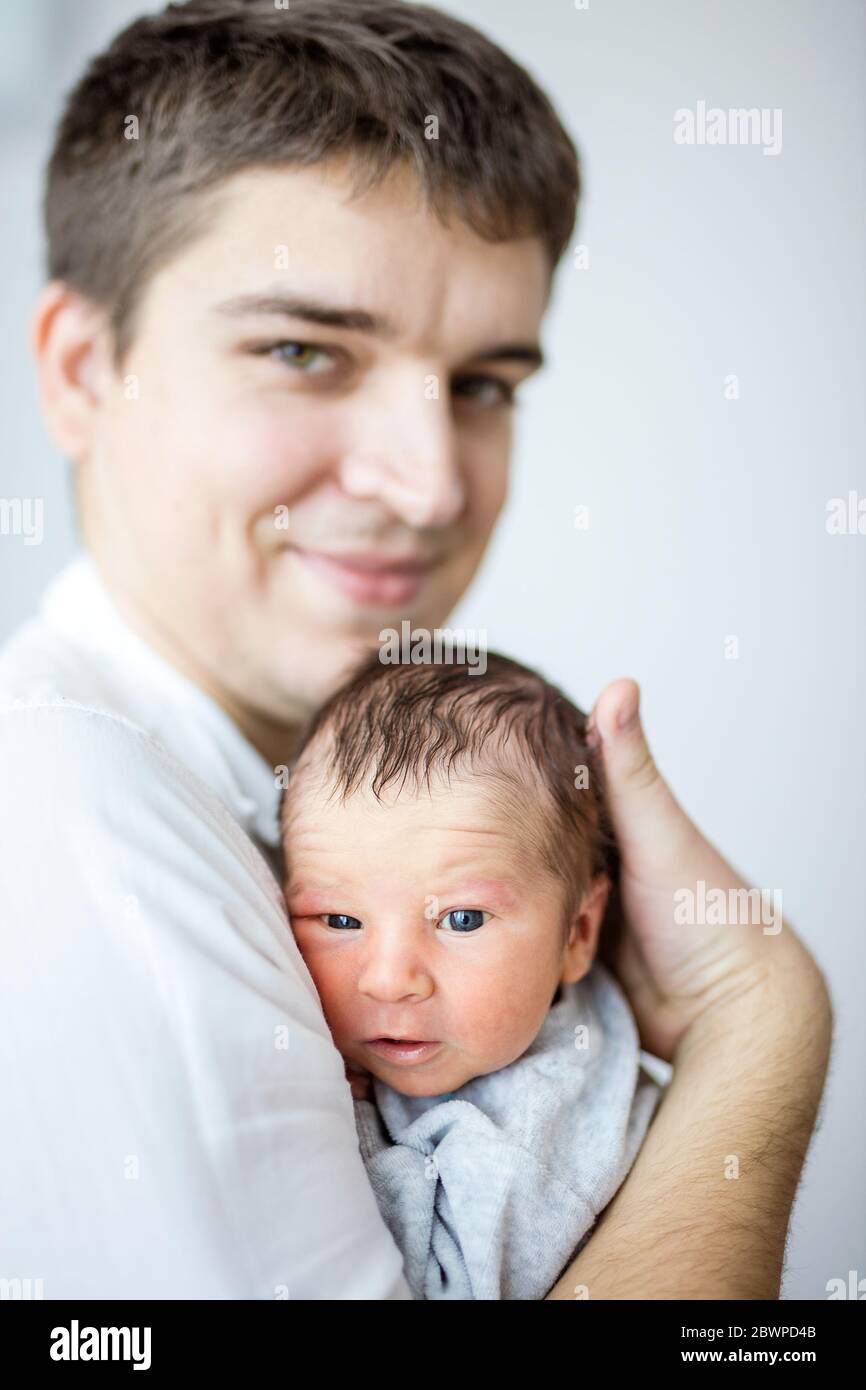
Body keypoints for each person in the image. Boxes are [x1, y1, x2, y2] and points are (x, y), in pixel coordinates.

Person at [0, 0, 830, 1299]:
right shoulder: (75, 824)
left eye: (485, 383)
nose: (432, 481)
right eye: (304, 351)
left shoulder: (275, 802)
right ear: (83, 367)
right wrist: (756, 1028)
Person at [282, 649, 665, 1299]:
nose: (389, 980)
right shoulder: (505, 1013)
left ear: (578, 933)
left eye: (461, 920)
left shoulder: (527, 1136)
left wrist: (355, 1128)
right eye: (340, 921)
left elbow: (442, 1288)